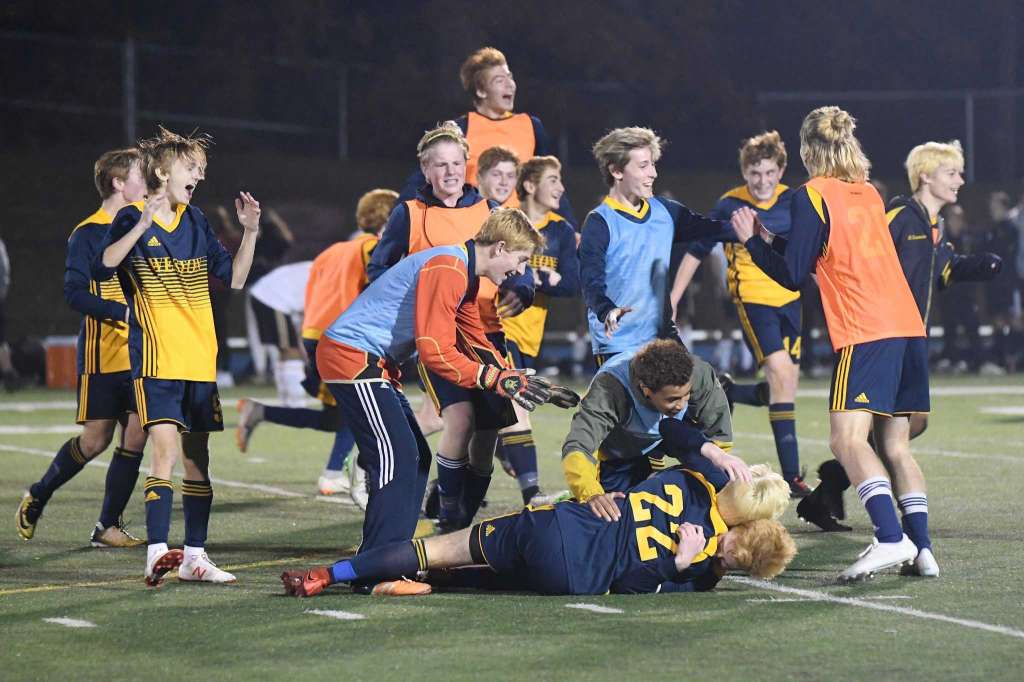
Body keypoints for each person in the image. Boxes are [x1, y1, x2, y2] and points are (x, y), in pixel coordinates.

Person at [731, 106, 933, 580]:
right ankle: (922, 549)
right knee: (896, 447)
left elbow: (791, 274)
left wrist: (750, 242)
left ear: (806, 150)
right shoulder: (866, 192)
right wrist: (772, 238)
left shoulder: (810, 194)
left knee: (846, 440)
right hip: (907, 327)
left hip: (867, 329)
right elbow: (822, 250)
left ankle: (889, 538)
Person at [316, 207, 549, 592]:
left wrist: (514, 378)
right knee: (399, 458)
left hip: (371, 362)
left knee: (417, 457)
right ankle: (377, 572)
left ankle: (385, 562)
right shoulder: (449, 267)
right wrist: (494, 378)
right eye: (521, 260)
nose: (520, 272)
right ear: (501, 247)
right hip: (353, 357)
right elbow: (435, 351)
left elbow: (476, 343)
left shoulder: (466, 274)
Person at [796, 140, 1001, 535]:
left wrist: (976, 266)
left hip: (907, 336)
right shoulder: (899, 217)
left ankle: (835, 488)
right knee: (879, 436)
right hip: (877, 333)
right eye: (951, 173)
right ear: (926, 175)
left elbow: (939, 271)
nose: (960, 180)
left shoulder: (932, 227)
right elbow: (860, 255)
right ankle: (884, 524)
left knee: (904, 429)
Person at [93, 127, 261, 586]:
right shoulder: (131, 217)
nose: (199, 177)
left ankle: (195, 557)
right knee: (163, 453)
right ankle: (155, 553)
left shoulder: (196, 221)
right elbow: (103, 264)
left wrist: (250, 233)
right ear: (163, 172)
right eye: (193, 169)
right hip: (156, 362)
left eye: (202, 171)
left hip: (199, 361)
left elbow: (237, 279)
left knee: (197, 461)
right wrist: (143, 226)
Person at [280, 462, 795, 597]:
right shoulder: (705, 571)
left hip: (560, 529)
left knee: (439, 547)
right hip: (572, 579)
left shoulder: (686, 479)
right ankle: (402, 583)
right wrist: (679, 566)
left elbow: (629, 488)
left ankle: (331, 572)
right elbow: (634, 585)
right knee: (481, 577)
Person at [369, 122, 535, 533]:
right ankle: (449, 515)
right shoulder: (409, 214)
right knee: (458, 418)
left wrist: (522, 287)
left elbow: (516, 261)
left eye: (456, 163)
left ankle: (462, 510)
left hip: (486, 333)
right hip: (438, 334)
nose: (449, 172)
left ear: (467, 165)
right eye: (439, 165)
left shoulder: (489, 211)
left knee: (488, 432)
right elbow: (379, 269)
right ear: (425, 170)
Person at [16, 148, 150, 547]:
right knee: (95, 441)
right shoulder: (88, 233)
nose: (147, 183)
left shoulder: (143, 225)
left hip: (141, 353)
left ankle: (106, 526)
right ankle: (38, 494)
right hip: (102, 353)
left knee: (139, 435)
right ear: (118, 183)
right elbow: (74, 294)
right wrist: (121, 312)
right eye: (141, 176)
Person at [669, 131, 810, 497]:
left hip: (791, 302)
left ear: (780, 170)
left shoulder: (794, 201)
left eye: (768, 173)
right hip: (754, 301)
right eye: (754, 174)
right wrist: (673, 296)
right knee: (780, 374)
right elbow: (698, 250)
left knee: (784, 389)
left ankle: (729, 389)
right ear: (744, 173)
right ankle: (793, 478)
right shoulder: (729, 205)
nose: (762, 181)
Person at [236, 189, 399, 503]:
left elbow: (312, 297)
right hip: (346, 338)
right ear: (390, 219)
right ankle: (336, 474)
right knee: (361, 409)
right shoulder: (374, 249)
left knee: (334, 419)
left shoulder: (332, 251)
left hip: (316, 336)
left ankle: (262, 412)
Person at [579, 127, 734, 365]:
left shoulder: (665, 211)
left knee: (701, 396)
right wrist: (606, 310)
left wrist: (753, 231)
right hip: (619, 344)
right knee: (639, 402)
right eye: (643, 166)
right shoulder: (599, 223)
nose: (653, 174)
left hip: (662, 338)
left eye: (652, 164)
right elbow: (591, 284)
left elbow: (711, 228)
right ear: (617, 171)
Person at [561, 338, 747, 517]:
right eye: (673, 399)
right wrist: (591, 493)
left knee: (709, 488)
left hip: (677, 433)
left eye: (686, 395)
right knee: (617, 513)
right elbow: (579, 446)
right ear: (645, 389)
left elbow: (717, 433)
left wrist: (721, 473)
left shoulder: (696, 372)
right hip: (622, 448)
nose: (682, 404)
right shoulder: (609, 390)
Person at [398, 47, 575, 225]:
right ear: (481, 91)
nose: (509, 84)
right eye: (499, 80)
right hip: (473, 228)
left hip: (521, 230)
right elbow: (422, 177)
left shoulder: (532, 126)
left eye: (510, 77)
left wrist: (571, 226)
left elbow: (548, 177)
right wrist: (396, 221)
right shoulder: (460, 128)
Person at [496, 156, 580, 505]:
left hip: (532, 333)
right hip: (498, 327)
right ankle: (532, 493)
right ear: (530, 185)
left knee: (477, 421)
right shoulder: (505, 220)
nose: (561, 187)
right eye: (553, 180)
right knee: (519, 403)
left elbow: (572, 284)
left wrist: (540, 280)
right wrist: (545, 278)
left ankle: (442, 496)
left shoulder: (560, 230)